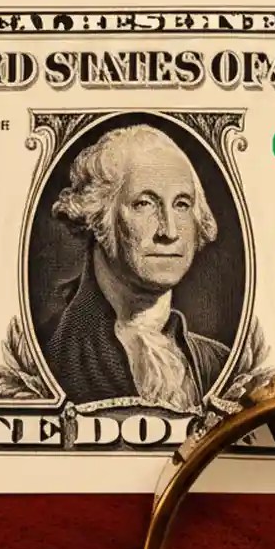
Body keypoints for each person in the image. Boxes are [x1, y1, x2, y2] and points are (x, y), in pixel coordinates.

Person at [44, 123, 230, 411]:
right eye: (144, 204)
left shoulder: (219, 364)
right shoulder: (49, 356)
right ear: (98, 216)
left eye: (181, 204)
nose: (169, 231)